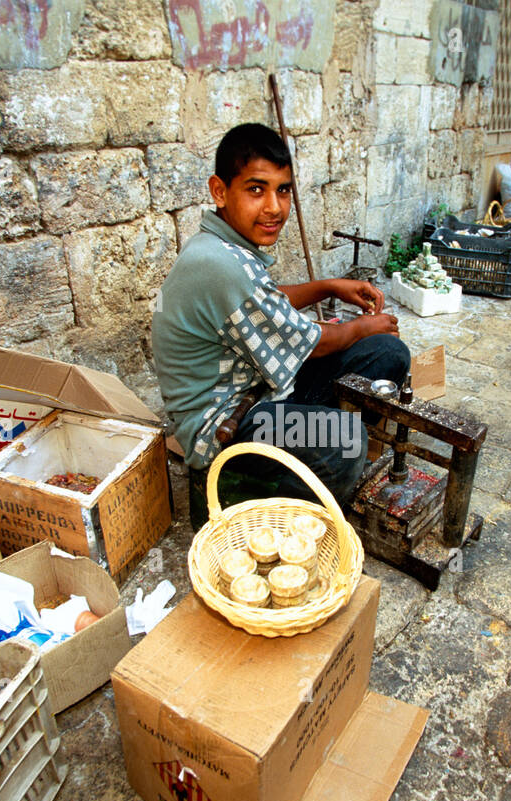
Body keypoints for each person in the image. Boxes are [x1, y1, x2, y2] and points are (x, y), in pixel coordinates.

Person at [151, 122, 409, 512]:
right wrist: (361, 326)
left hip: (262, 391)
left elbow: (266, 301)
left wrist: (327, 286)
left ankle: (304, 445)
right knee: (348, 442)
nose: (274, 207)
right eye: (256, 189)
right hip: (228, 427)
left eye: (283, 190)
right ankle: (228, 493)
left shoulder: (224, 247)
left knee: (387, 352)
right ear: (219, 191)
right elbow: (316, 342)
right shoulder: (219, 264)